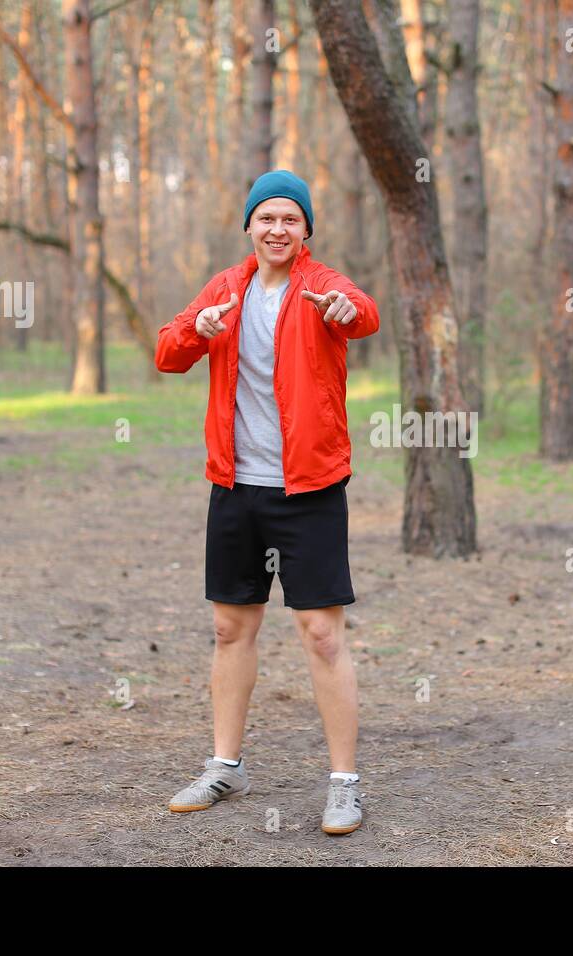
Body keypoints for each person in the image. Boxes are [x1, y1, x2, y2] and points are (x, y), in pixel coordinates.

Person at [154, 170, 379, 835]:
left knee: (321, 633)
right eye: (266, 218)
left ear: (306, 229)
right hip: (235, 486)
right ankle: (226, 765)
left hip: (307, 490)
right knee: (231, 628)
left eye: (290, 219)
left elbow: (362, 310)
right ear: (250, 225)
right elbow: (168, 352)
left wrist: (345, 311)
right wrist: (198, 326)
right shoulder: (226, 288)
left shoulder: (321, 287)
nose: (278, 229)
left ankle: (344, 785)